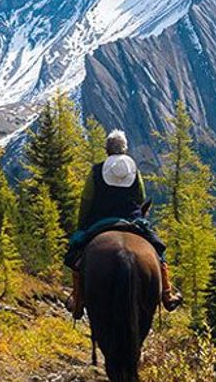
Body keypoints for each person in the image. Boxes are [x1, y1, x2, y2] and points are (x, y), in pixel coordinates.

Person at [65, 129, 183, 319]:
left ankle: (78, 300)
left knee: (76, 252)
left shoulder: (96, 171)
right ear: (125, 149)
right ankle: (167, 292)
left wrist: (82, 226)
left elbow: (86, 200)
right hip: (131, 219)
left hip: (99, 220)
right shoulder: (133, 170)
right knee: (157, 248)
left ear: (107, 150)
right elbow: (141, 196)